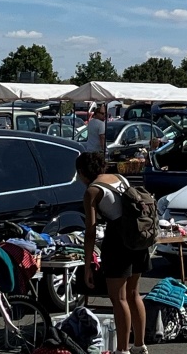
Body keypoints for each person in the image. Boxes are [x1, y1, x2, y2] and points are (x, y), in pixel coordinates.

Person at [77, 152, 150, 354]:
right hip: (138, 237)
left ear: (82, 172)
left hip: (118, 241)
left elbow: (90, 231)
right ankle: (139, 345)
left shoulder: (92, 191)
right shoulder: (119, 178)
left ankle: (122, 350)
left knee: (118, 298)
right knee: (134, 293)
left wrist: (87, 265)